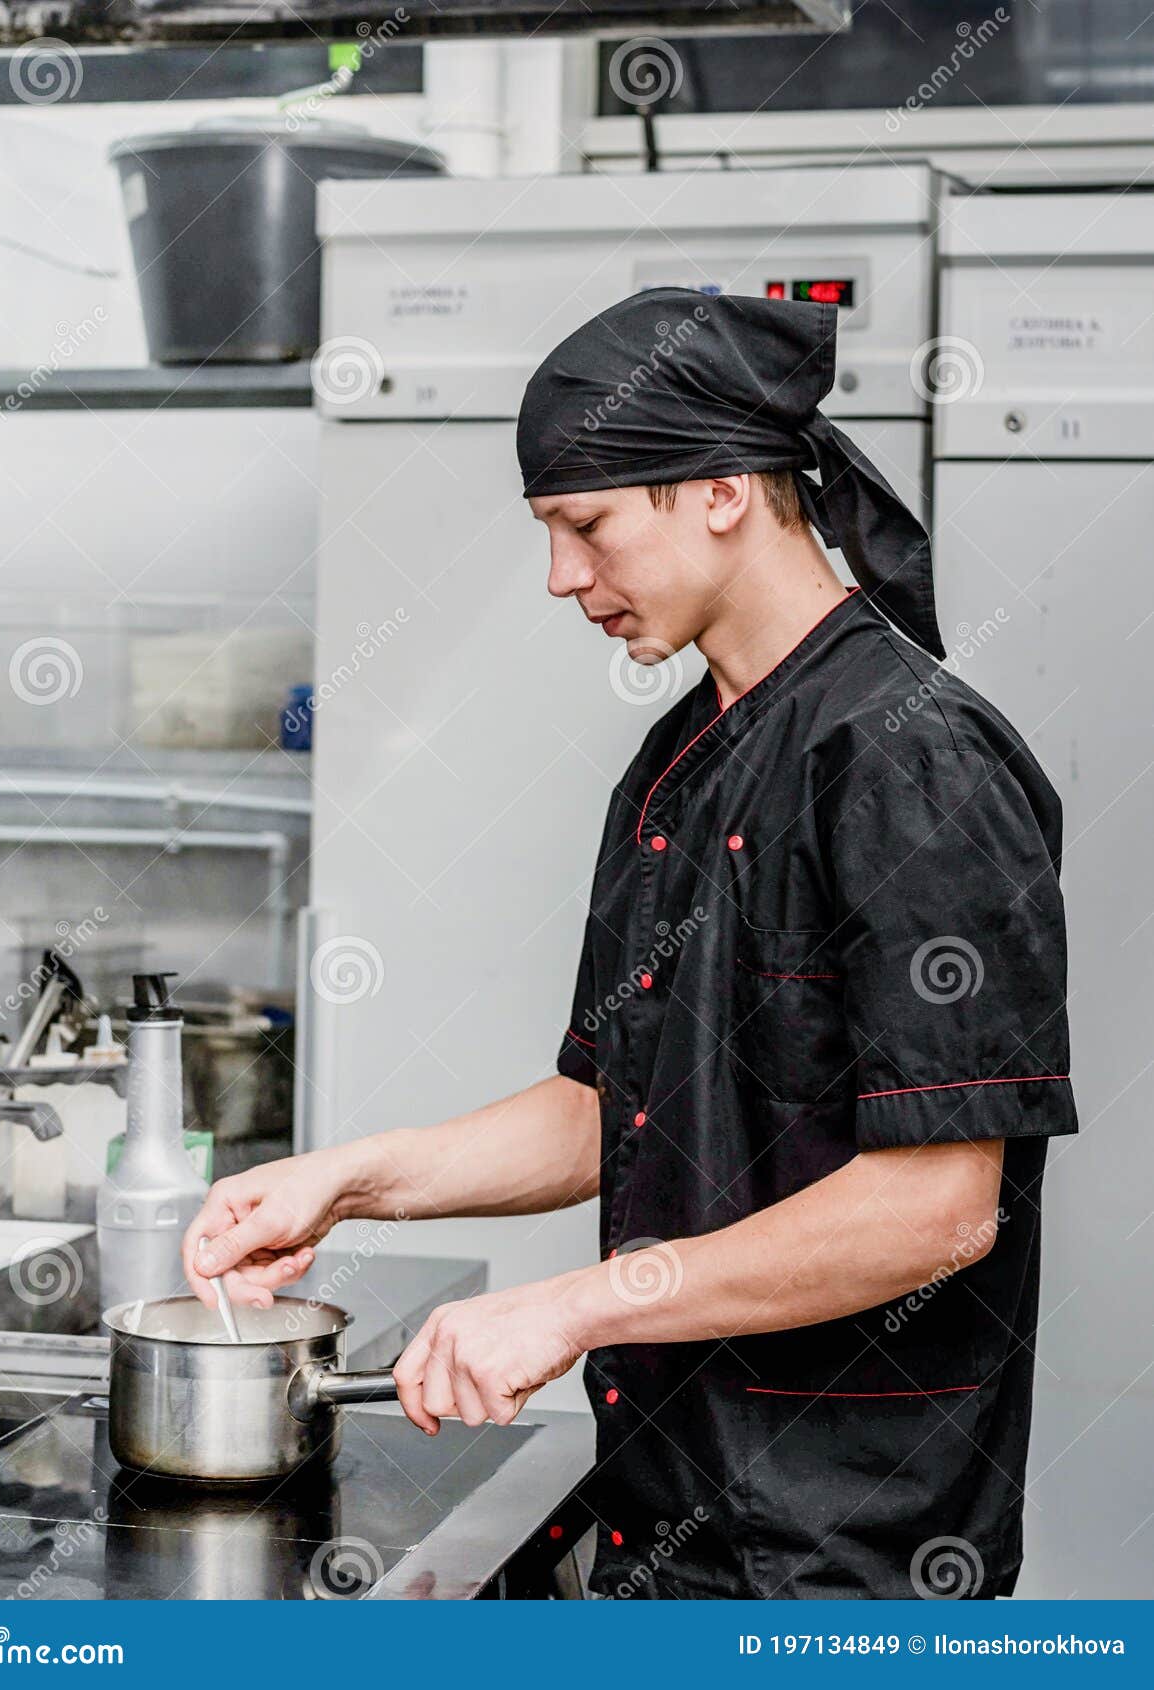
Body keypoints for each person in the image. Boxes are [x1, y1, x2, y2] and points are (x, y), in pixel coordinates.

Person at [183, 290, 1076, 1600]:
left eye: (585, 527)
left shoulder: (908, 754)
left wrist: (573, 1304)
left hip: (843, 1556)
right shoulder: (676, 764)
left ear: (719, 488)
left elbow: (934, 1209)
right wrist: (344, 1177)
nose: (562, 578)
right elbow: (613, 1106)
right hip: (667, 1511)